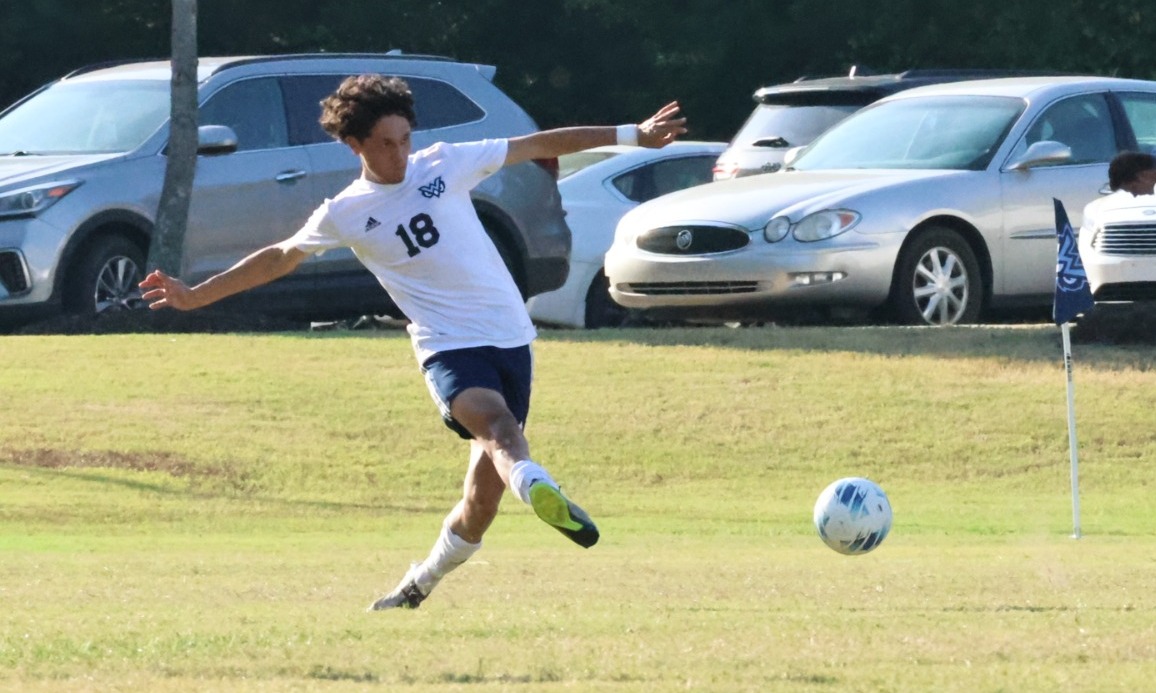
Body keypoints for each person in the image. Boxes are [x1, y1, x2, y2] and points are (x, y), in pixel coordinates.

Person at [139, 74, 687, 611]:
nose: (399, 153)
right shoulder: (346, 211)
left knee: (479, 504)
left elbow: (540, 144)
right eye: (384, 144)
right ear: (354, 145)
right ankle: (537, 483)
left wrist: (632, 134)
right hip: (446, 346)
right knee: (497, 425)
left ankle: (418, 584)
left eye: (405, 139)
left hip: (511, 338)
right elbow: (280, 257)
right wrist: (197, 295)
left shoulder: (444, 162)